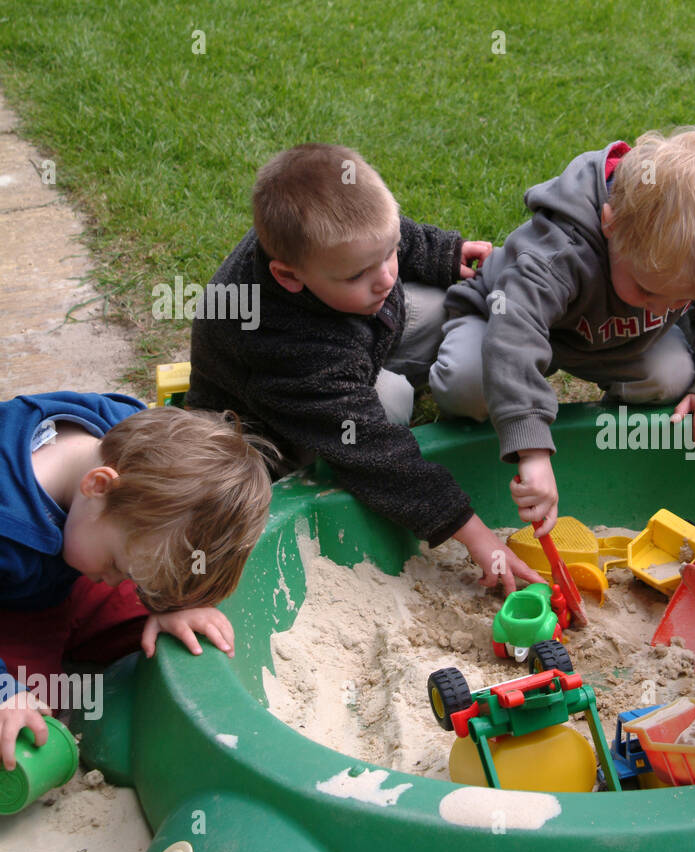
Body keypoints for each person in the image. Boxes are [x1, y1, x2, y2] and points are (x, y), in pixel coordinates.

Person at [187, 143, 539, 591]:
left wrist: (444, 253)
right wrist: (477, 536)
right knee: (391, 403)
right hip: (288, 421)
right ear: (289, 276)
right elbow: (377, 454)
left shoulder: (341, 250)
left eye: (388, 254)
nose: (387, 277)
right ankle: (325, 463)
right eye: (358, 274)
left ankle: (395, 348)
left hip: (357, 339)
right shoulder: (280, 345)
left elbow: (390, 236)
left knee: (441, 306)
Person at [440, 128, 695, 536]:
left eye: (679, 300)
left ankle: (598, 441)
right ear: (610, 225)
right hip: (504, 323)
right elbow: (514, 336)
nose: (659, 307)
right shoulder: (559, 251)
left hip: (616, 339)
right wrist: (533, 450)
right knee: (465, 383)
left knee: (672, 376)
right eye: (646, 289)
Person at [0, 395, 272, 770]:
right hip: (16, 605)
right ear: (98, 486)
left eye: (132, 576)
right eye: (120, 567)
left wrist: (174, 602)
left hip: (67, 572)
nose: (116, 582)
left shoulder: (132, 440)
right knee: (32, 714)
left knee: (173, 630)